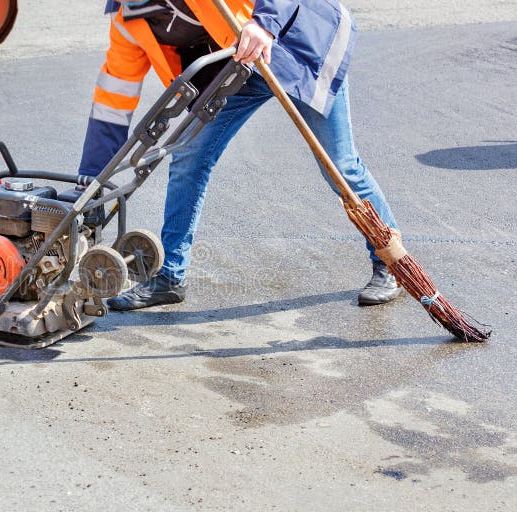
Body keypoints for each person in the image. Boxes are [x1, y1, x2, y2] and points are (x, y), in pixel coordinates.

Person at [78, 0, 403, 310]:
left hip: (297, 43)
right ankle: (170, 276)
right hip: (236, 68)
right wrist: (90, 182)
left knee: (339, 166)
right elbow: (113, 100)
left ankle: (390, 263)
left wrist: (265, 24)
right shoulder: (130, 18)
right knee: (189, 156)